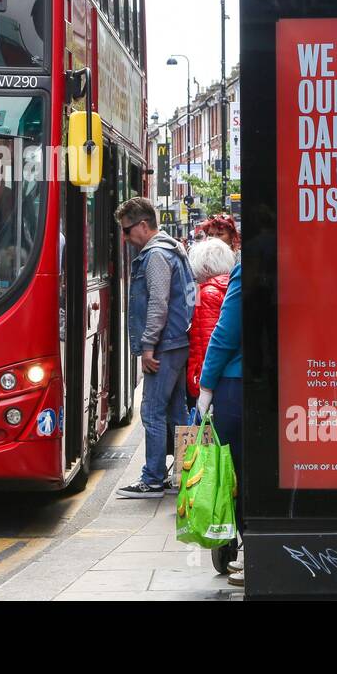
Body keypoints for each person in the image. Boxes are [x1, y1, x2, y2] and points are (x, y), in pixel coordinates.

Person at [114, 196, 195, 499]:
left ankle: (153, 478)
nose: (124, 237)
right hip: (178, 340)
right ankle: (187, 472)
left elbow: (158, 303)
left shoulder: (156, 255)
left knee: (151, 411)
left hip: (165, 344)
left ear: (143, 225)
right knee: (176, 411)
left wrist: (148, 346)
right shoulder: (174, 248)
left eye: (127, 230)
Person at [197, 261, 244, 586]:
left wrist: (206, 385)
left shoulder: (248, 267)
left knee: (235, 470)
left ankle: (249, 547)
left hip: (237, 385)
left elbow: (225, 334)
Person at [186, 238, 235, 407]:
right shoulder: (229, 285)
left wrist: (203, 384)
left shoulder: (206, 294)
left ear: (205, 267)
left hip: (211, 378)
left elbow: (208, 342)